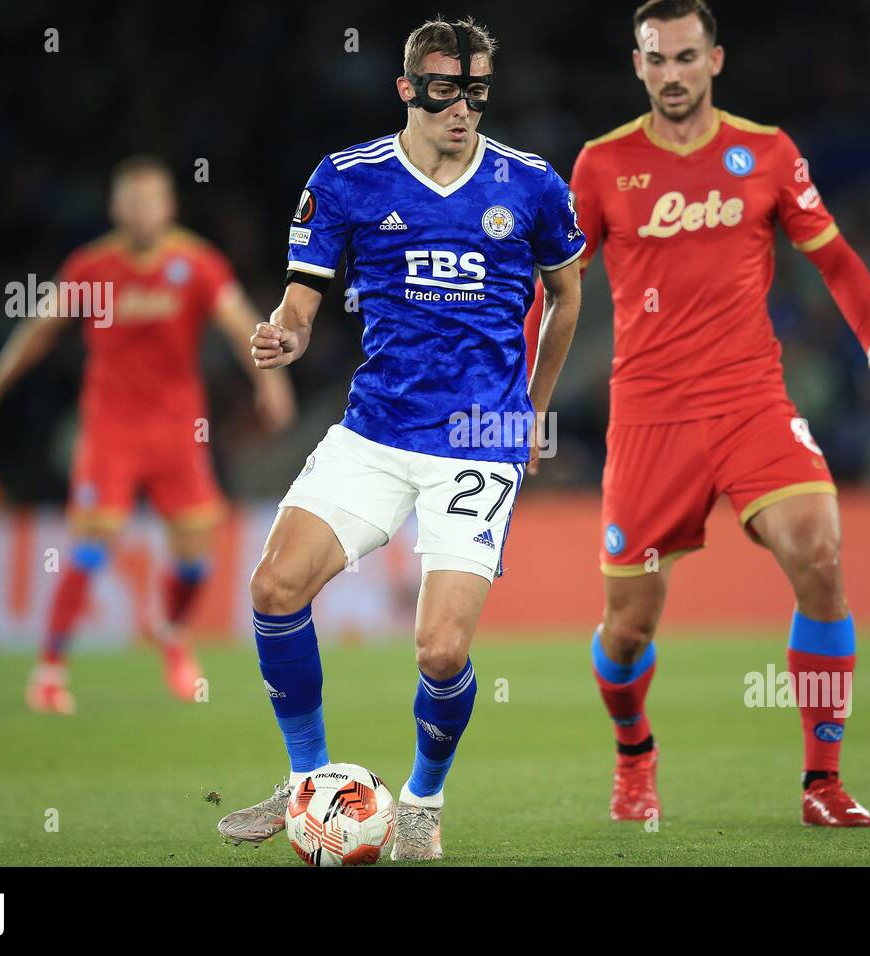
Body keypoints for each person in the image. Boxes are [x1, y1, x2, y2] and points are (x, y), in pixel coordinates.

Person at [524, 0, 870, 827]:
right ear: (638, 65)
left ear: (716, 59)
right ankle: (635, 754)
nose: (672, 74)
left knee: (818, 551)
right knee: (626, 631)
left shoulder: (767, 153)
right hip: (648, 420)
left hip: (751, 401)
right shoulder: (600, 165)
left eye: (687, 57)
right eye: (657, 59)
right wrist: (526, 404)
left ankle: (822, 780)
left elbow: (838, 260)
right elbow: (556, 290)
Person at [215, 16, 583, 861]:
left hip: (478, 440)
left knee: (442, 648)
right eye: (447, 90)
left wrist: (532, 404)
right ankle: (309, 781)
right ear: (408, 88)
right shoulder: (346, 180)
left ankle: (422, 797)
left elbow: (569, 292)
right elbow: (301, 304)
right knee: (274, 589)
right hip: (375, 429)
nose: (464, 108)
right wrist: (282, 336)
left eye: (477, 92)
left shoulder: (529, 185)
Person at [0, 156, 295, 714]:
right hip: (110, 430)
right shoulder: (92, 268)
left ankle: (172, 633)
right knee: (92, 544)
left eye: (152, 200)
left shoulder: (197, 263)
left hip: (179, 432)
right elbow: (41, 329)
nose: (142, 212)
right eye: (131, 202)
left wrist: (272, 382)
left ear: (170, 206)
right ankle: (49, 668)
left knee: (195, 559)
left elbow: (241, 324)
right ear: (115, 208)